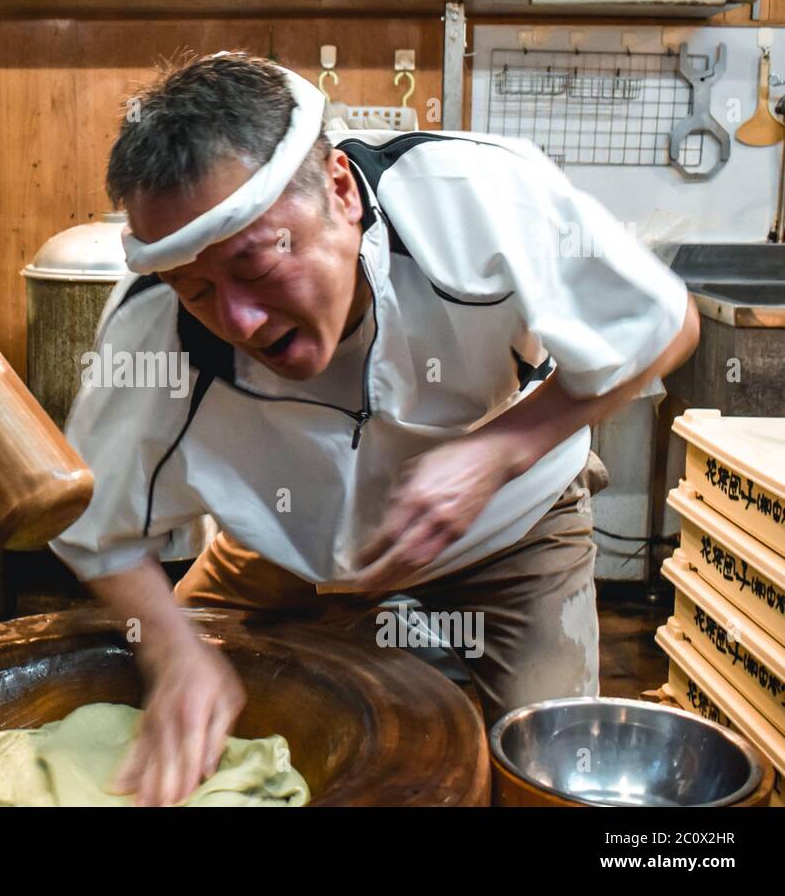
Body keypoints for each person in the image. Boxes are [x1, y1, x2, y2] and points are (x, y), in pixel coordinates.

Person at [51, 53, 700, 807]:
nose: (241, 322)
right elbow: (95, 525)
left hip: (513, 532)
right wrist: (171, 651)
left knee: (554, 774)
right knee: (160, 725)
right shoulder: (150, 327)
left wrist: (499, 450)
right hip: (284, 544)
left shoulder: (477, 198)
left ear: (338, 190)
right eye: (198, 291)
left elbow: (660, 323)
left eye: (257, 267)